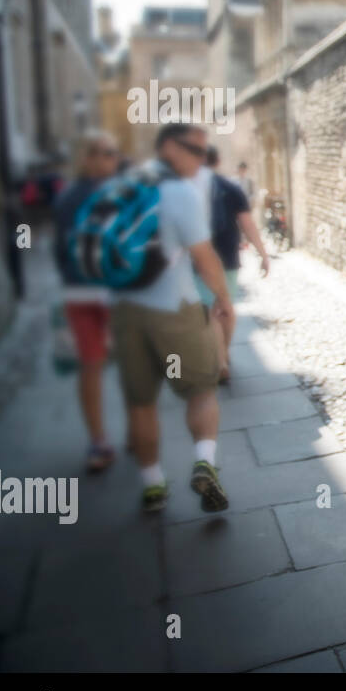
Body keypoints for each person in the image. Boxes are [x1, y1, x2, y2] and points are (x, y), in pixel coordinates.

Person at [110, 122, 234, 513]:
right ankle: (205, 463)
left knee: (140, 402)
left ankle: (152, 486)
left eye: (203, 151)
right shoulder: (178, 192)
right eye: (191, 150)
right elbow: (204, 257)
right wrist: (223, 298)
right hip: (174, 310)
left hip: (126, 311)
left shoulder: (121, 185)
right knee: (200, 389)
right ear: (167, 146)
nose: (199, 159)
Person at [52, 130, 120, 471]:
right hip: (107, 293)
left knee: (93, 366)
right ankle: (105, 439)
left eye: (112, 153)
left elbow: (59, 250)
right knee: (105, 364)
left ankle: (102, 440)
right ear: (87, 157)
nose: (111, 159)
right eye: (105, 153)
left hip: (81, 289)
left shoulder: (66, 197)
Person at [195, 145, 269, 381]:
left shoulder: (188, 190)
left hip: (200, 257)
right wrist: (263, 254)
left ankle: (219, 361)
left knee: (210, 309)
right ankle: (224, 351)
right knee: (226, 306)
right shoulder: (230, 188)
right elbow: (247, 224)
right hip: (227, 256)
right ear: (217, 162)